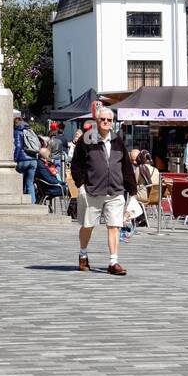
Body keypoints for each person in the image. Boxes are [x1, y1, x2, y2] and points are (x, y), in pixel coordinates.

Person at [71, 106, 137, 276]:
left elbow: (126, 166)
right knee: (87, 226)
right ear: (97, 121)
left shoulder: (117, 140)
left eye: (109, 120)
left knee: (114, 226)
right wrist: (81, 185)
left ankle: (113, 261)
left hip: (115, 191)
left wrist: (133, 190)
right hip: (93, 190)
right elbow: (76, 164)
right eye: (103, 119)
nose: (106, 122)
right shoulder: (86, 139)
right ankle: (83, 254)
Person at [12, 112, 39, 199]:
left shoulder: (17, 132)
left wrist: (15, 159)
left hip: (23, 160)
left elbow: (18, 146)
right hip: (33, 159)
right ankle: (33, 204)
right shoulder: (29, 130)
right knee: (30, 183)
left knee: (18, 182)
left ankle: (20, 199)